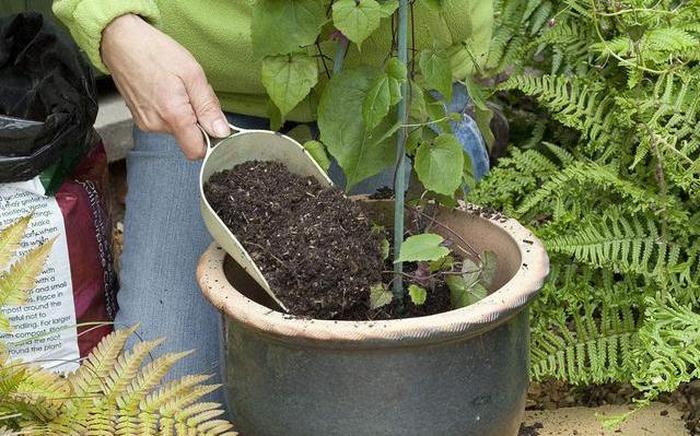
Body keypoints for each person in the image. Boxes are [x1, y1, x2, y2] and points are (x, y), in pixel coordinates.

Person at [52, 0, 493, 409]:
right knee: (165, 398)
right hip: (200, 89)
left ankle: (461, 139)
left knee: (400, 389)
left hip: (404, 86)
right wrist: (114, 23)